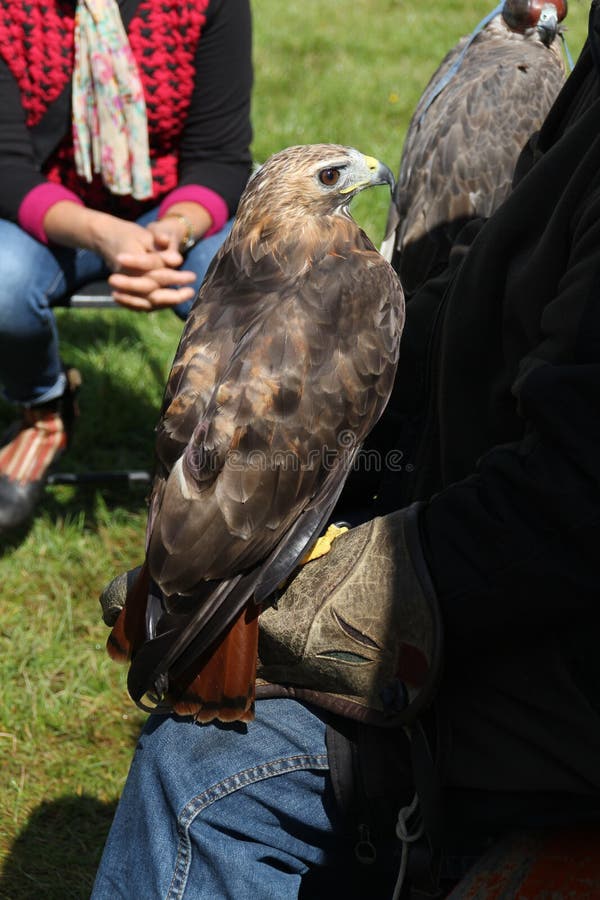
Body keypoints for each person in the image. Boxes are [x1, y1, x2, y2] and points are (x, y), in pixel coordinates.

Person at [91, 2, 600, 897]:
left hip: (556, 650)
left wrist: (377, 581)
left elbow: (575, 490)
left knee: (199, 771)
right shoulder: (576, 71)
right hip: (446, 510)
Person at [0, 0, 253, 533]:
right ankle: (44, 414)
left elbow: (220, 155)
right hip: (50, 209)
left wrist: (172, 231)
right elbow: (6, 166)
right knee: (3, 282)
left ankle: (226, 449)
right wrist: (105, 235)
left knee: (246, 288)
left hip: (172, 207)